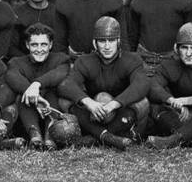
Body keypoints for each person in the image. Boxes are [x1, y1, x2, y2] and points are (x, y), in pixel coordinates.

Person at [58, 16, 151, 150]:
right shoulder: (85, 61)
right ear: (95, 43)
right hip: (94, 113)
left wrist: (113, 104)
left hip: (121, 113)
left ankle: (97, 138)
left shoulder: (132, 59)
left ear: (119, 41)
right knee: (64, 101)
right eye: (102, 41)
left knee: (143, 103)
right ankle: (106, 137)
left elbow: (142, 84)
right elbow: (66, 85)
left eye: (111, 40)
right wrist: (89, 103)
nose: (107, 46)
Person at [0, 23, 72, 149]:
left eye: (44, 44)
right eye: (35, 45)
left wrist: (36, 84)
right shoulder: (16, 62)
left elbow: (60, 73)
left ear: (50, 45)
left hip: (54, 115)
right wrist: (33, 96)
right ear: (27, 45)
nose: (39, 49)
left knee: (52, 91)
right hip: (26, 120)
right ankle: (35, 136)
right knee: (22, 94)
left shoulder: (61, 59)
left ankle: (49, 136)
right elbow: (11, 76)